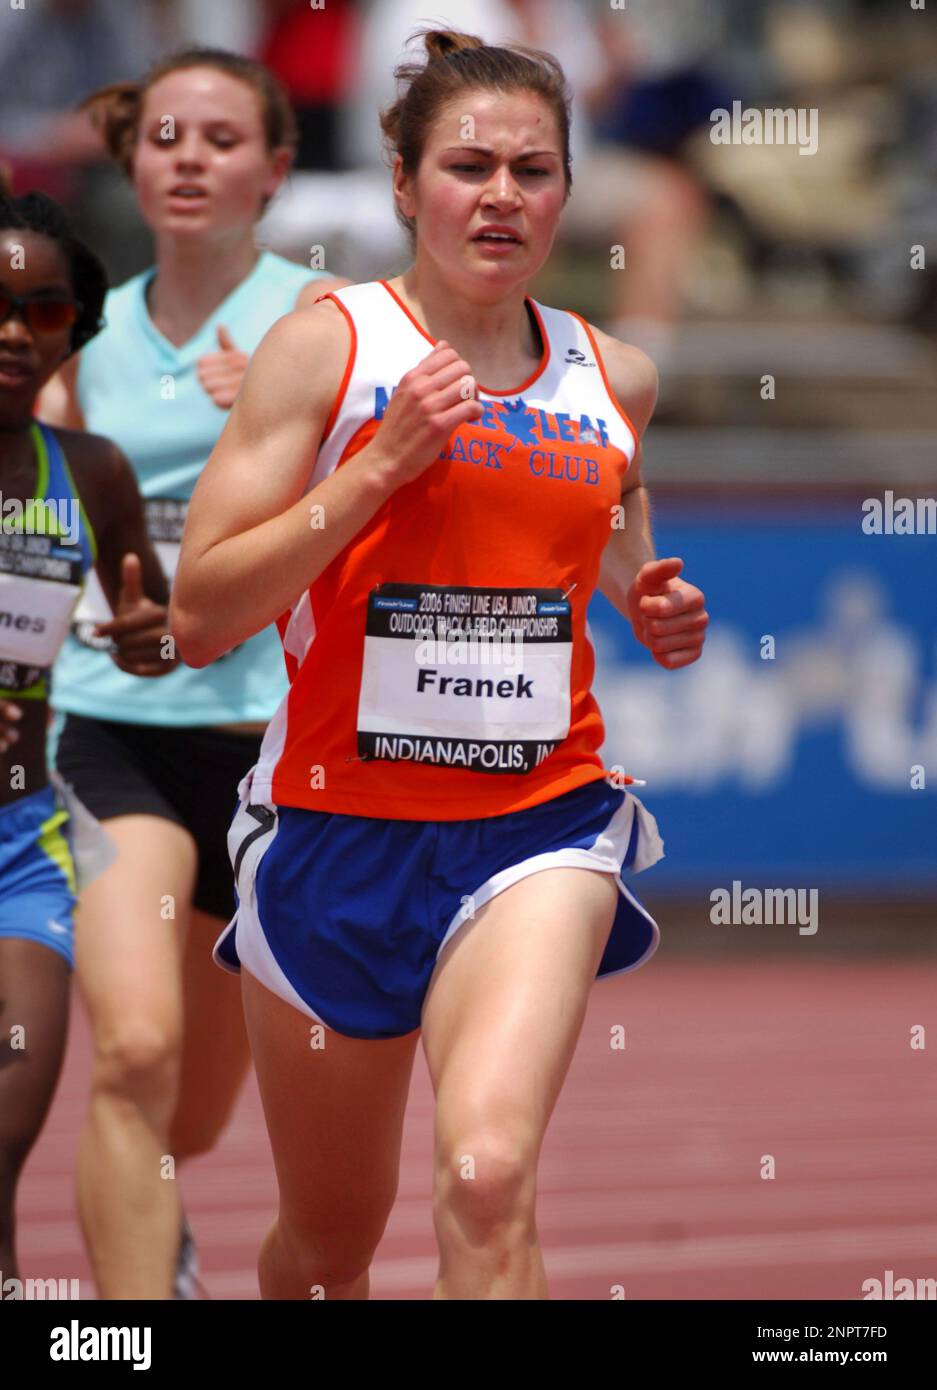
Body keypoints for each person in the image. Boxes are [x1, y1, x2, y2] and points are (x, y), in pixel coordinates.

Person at [172, 28, 709, 1300]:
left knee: (482, 1177)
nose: (503, 194)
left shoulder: (611, 376)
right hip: (332, 836)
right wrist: (378, 466)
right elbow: (199, 613)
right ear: (405, 186)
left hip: (538, 825)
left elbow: (619, 556)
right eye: (468, 165)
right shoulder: (328, 349)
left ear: (569, 192)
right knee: (325, 1246)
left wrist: (653, 605)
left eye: (534, 168)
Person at [38, 47, 348, 1300]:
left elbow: (392, 517)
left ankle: (155, 1227)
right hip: (107, 725)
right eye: (167, 135)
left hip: (272, 741)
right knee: (133, 1048)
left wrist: (288, 424)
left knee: (198, 1112)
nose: (190, 159)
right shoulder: (69, 331)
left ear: (276, 169)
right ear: (131, 156)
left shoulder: (325, 327)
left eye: (223, 139)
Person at [0, 188, 174, 1281]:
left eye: (44, 311)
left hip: (22, 845)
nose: (14, 333)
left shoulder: (95, 471)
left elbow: (151, 631)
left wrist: (150, 636)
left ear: (77, 329)